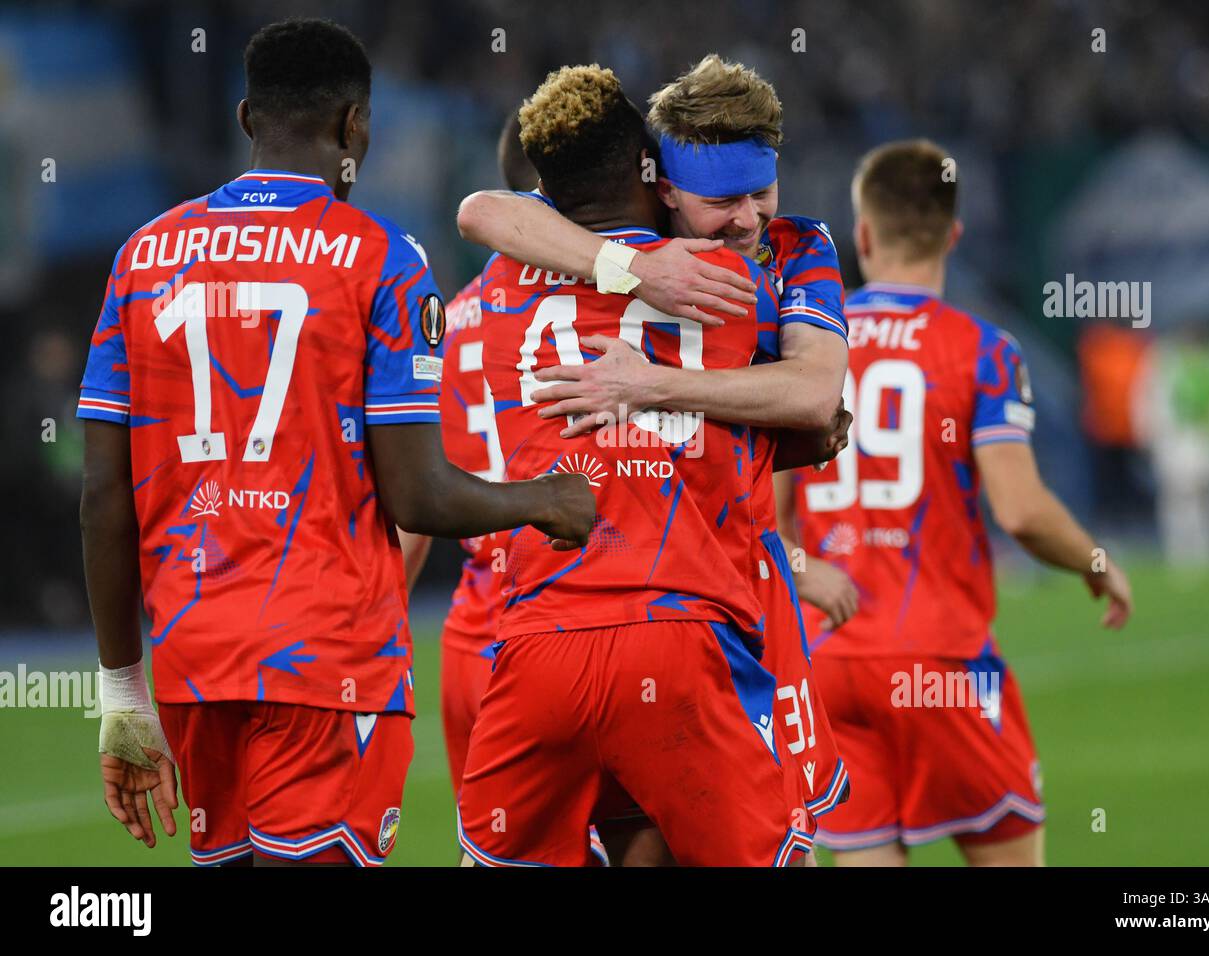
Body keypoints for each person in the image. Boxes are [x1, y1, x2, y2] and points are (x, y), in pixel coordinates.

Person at [77, 17, 593, 868]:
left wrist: (121, 690)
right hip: (327, 658)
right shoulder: (383, 259)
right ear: (356, 125)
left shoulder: (142, 256)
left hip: (193, 665)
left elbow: (103, 497)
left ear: (247, 118)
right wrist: (546, 499)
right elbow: (418, 496)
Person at [456, 54, 851, 858]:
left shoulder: (797, 246)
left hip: (718, 595)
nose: (747, 220)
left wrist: (655, 386)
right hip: (673, 609)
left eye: (761, 192)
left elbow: (813, 396)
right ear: (661, 183)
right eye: (721, 201)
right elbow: (481, 208)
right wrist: (632, 269)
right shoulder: (603, 240)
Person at [778, 139, 1132, 866]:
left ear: (865, 234)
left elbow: (771, 518)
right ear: (955, 235)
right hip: (942, 662)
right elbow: (1021, 509)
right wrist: (1095, 559)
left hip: (831, 658)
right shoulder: (982, 349)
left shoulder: (805, 352)